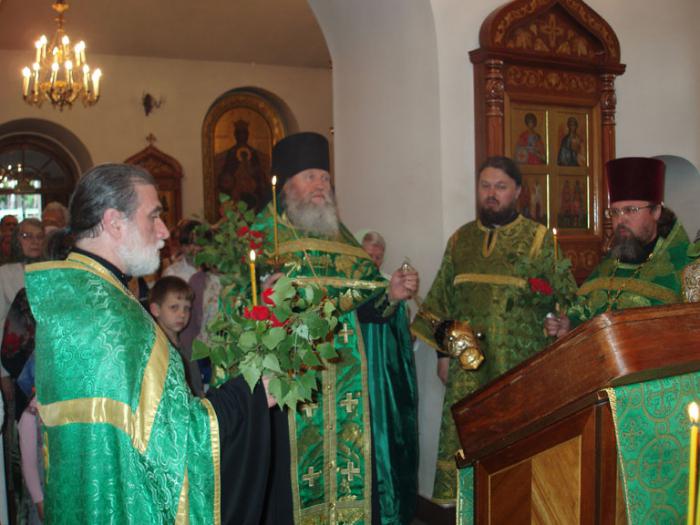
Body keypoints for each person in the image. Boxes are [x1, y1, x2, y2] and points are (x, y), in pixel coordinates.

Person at [24, 163, 274, 524]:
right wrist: (249, 395)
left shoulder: (76, 298)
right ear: (114, 222)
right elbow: (178, 444)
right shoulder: (117, 320)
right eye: (154, 216)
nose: (163, 231)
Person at [252, 132, 419, 524]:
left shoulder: (342, 239)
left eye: (325, 178)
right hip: (288, 382)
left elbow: (366, 303)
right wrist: (260, 296)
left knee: (351, 470)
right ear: (287, 185)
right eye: (310, 176)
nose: (321, 186)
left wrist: (391, 294)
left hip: (347, 385)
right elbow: (236, 305)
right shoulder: (264, 236)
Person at [411, 156, 574, 503]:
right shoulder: (461, 240)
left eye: (500, 187)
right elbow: (441, 301)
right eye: (485, 186)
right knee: (469, 446)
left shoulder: (541, 239)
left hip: (520, 367)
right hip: (467, 368)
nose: (491, 194)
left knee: (516, 450)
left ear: (517, 192)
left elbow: (567, 297)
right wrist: (443, 355)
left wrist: (561, 321)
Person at [546, 157, 698, 337]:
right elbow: (583, 315)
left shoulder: (685, 269)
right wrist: (569, 326)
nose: (621, 220)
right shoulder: (607, 267)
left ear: (656, 211)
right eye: (615, 212)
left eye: (631, 210)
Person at [148, 275, 203, 397]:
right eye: (174, 307)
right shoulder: (156, 350)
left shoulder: (186, 347)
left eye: (187, 308)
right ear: (155, 309)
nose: (182, 314)